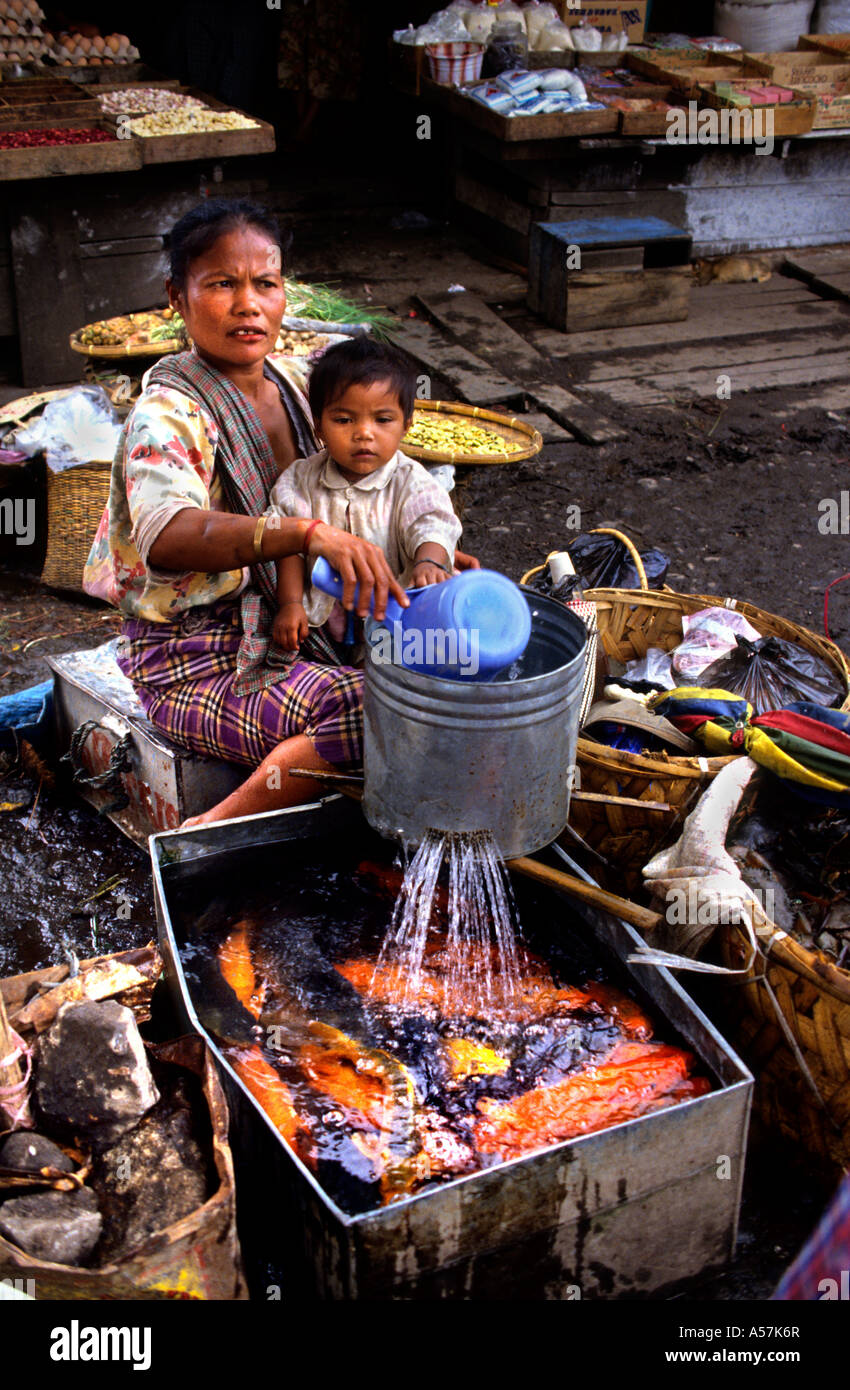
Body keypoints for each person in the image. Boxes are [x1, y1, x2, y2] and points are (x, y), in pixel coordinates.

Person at [83, 197, 411, 827]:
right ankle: (209, 834)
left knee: (447, 668)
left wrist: (417, 549)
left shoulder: (296, 387)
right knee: (381, 709)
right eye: (222, 285)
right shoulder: (169, 413)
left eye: (266, 283)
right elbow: (170, 535)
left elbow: (365, 472)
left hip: (291, 621)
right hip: (193, 657)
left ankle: (307, 775)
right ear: (176, 296)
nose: (248, 304)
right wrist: (304, 533)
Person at [268, 337, 462, 658]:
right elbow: (288, 545)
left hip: (394, 621)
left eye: (383, 420)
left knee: (399, 670)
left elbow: (432, 523)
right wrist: (290, 605)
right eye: (344, 420)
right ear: (318, 427)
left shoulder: (410, 481)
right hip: (323, 625)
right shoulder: (300, 481)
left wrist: (428, 561)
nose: (364, 433)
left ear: (406, 425)